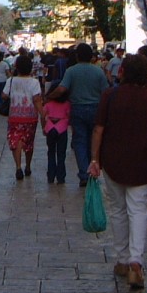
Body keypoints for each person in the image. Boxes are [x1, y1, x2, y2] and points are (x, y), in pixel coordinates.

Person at [87, 54, 147, 289]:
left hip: (113, 161)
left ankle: (122, 259)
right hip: (142, 162)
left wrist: (95, 159)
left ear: (122, 71)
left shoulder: (110, 96)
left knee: (118, 210)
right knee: (138, 209)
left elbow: (99, 130)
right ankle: (136, 261)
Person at [49, 43, 106, 187]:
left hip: (77, 109)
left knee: (79, 141)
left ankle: (84, 174)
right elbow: (105, 92)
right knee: (92, 140)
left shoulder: (71, 71)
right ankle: (93, 168)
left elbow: (62, 89)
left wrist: (49, 96)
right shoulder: (98, 71)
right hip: (95, 109)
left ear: (77, 56)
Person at [4, 54, 44, 181]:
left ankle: (18, 167)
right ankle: (28, 165)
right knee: (29, 141)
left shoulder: (10, 80)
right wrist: (43, 114)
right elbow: (37, 99)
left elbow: (4, 95)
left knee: (16, 140)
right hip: (31, 117)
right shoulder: (34, 82)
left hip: (14, 116)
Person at [41, 83, 71, 185]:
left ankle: (51, 175)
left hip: (50, 127)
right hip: (62, 128)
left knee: (51, 152)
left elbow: (42, 116)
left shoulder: (48, 104)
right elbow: (69, 116)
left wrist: (43, 127)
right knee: (61, 153)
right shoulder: (67, 104)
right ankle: (61, 176)